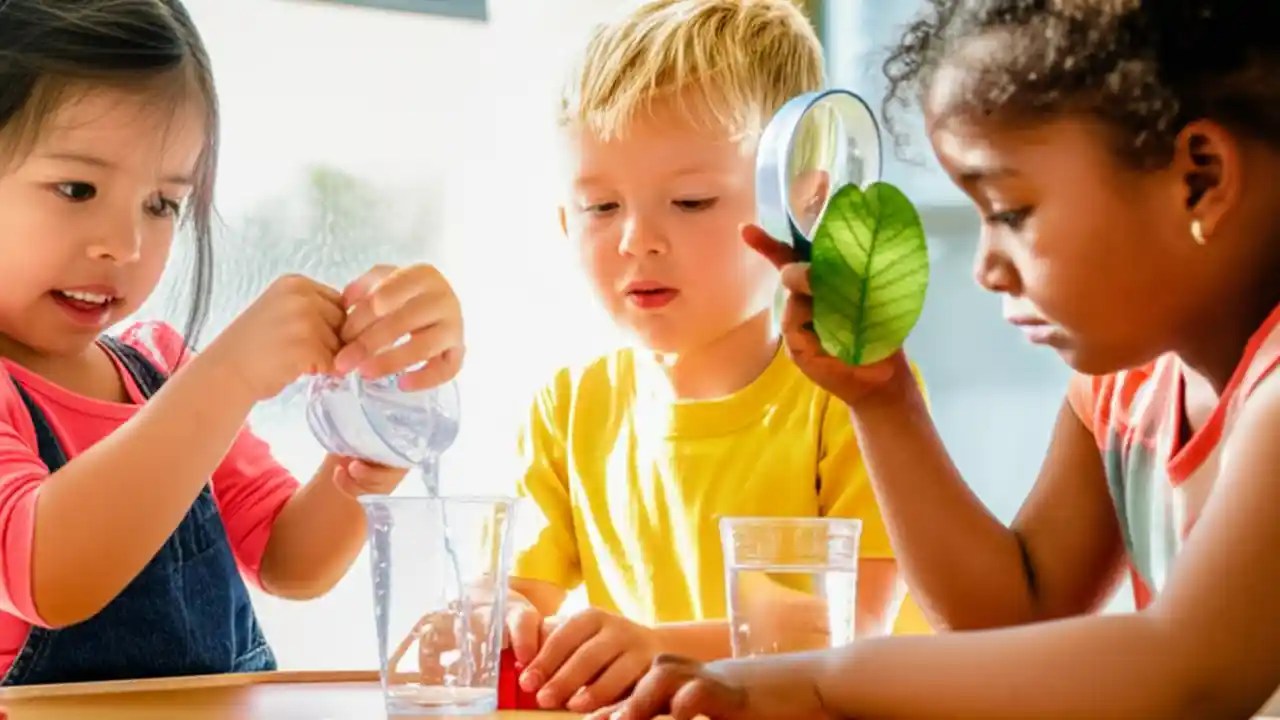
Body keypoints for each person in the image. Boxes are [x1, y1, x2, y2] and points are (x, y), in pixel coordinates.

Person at [598, 2, 1280, 718]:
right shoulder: (1126, 388)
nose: (986, 267)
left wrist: (820, 680)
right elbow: (1012, 621)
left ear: (1198, 179)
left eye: (1010, 211)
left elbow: (1187, 670)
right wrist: (882, 399)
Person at [0, 0, 464, 685]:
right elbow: (49, 575)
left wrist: (378, 422)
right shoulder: (188, 390)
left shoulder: (160, 370)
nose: (125, 245)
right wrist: (229, 375)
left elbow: (292, 561)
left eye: (162, 204)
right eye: (77, 188)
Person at [502, 0, 931, 713]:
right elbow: (518, 593)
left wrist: (657, 648)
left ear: (804, 203)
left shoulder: (854, 394)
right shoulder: (570, 408)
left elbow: (852, 626)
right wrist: (493, 617)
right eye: (601, 208)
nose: (637, 240)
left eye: (692, 201)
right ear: (562, 221)